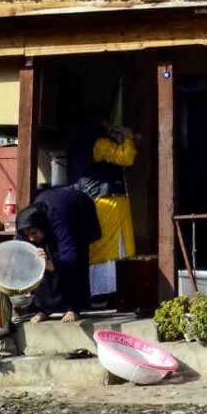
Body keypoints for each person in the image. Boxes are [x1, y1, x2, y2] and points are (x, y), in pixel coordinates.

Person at [69, 113, 140, 299]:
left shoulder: (80, 144)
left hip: (95, 198)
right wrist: (128, 138)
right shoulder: (100, 143)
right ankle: (104, 293)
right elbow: (125, 157)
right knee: (109, 250)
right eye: (106, 122)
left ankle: (100, 292)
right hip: (108, 200)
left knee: (102, 249)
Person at [15, 186, 102, 324]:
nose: (31, 238)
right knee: (40, 258)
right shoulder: (26, 223)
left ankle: (73, 307)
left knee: (74, 260)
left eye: (34, 233)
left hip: (78, 211)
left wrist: (53, 265)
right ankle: (43, 308)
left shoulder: (61, 221)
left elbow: (71, 258)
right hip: (51, 212)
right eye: (27, 234)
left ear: (41, 227)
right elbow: (19, 251)